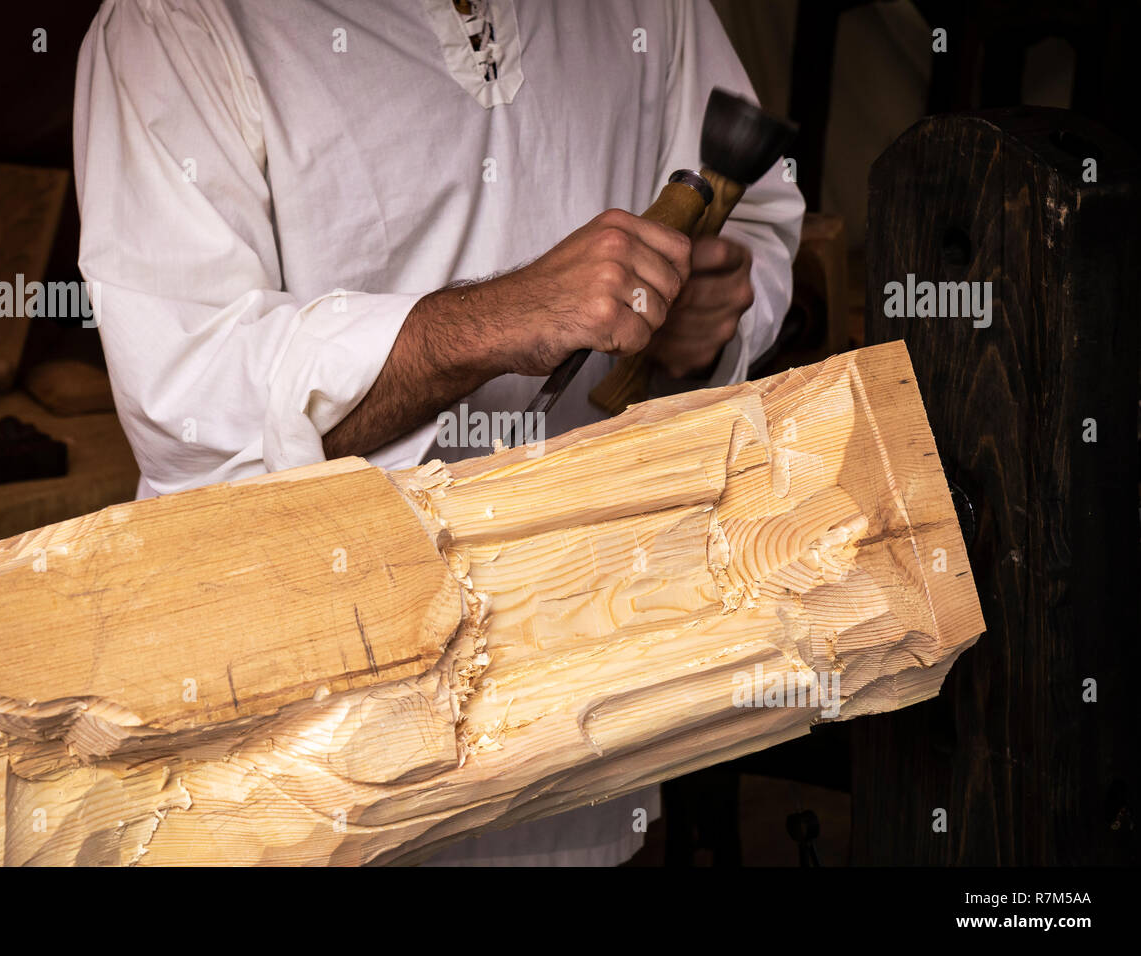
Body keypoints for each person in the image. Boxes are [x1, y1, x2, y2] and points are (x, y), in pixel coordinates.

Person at [73, 0, 804, 865]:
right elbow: (187, 403)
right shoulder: (174, 24)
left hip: (589, 712)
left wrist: (705, 327)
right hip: (311, 757)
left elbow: (757, 219)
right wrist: (493, 319)